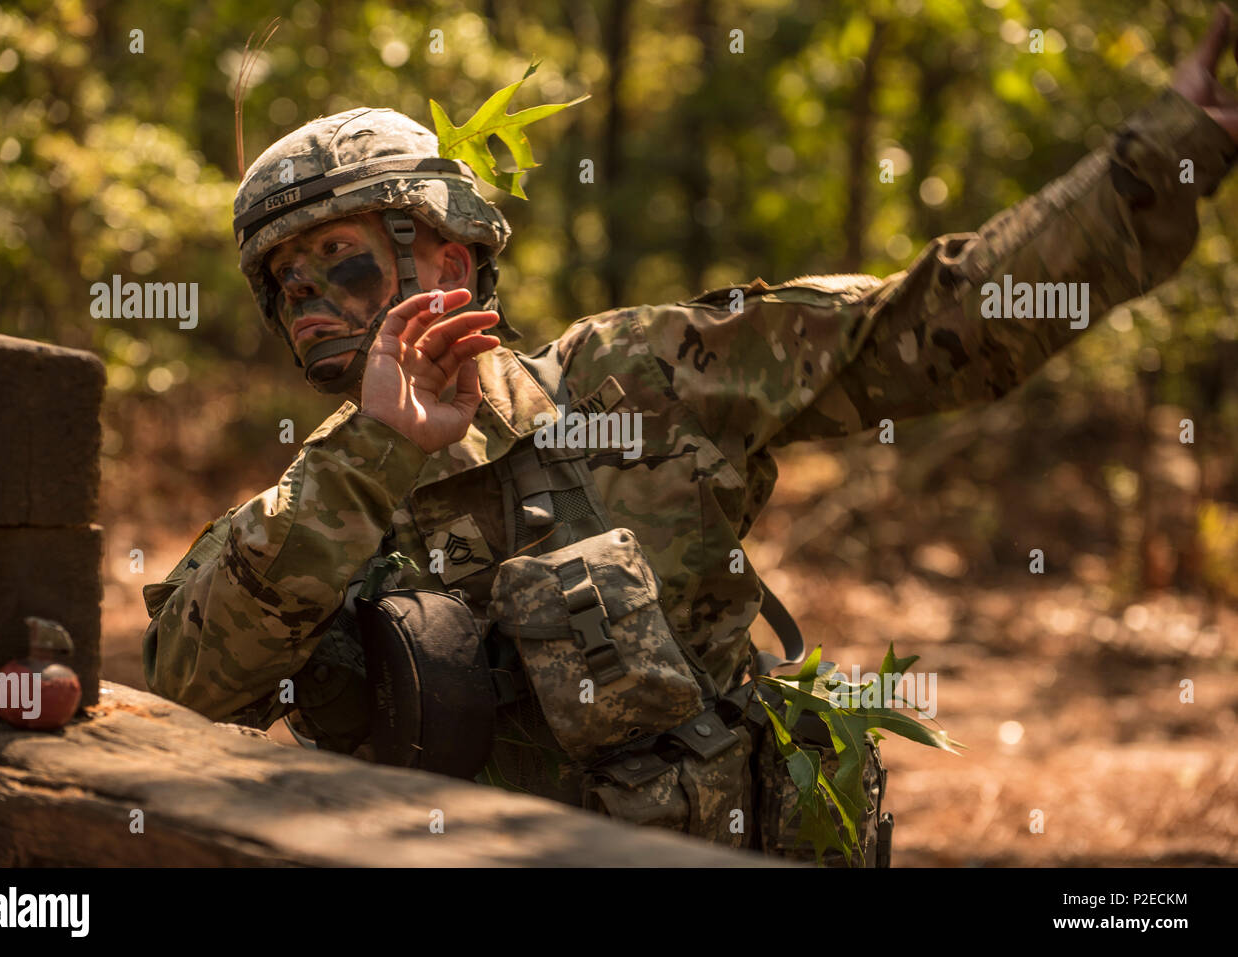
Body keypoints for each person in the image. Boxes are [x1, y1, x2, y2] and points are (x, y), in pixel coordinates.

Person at [142, 8, 1238, 861]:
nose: (314, 306)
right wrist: (370, 458)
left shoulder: (645, 377)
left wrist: (1152, 168)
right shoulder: (307, 510)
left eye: (339, 260)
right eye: (285, 288)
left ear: (451, 258)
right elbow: (183, 695)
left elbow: (933, 323)